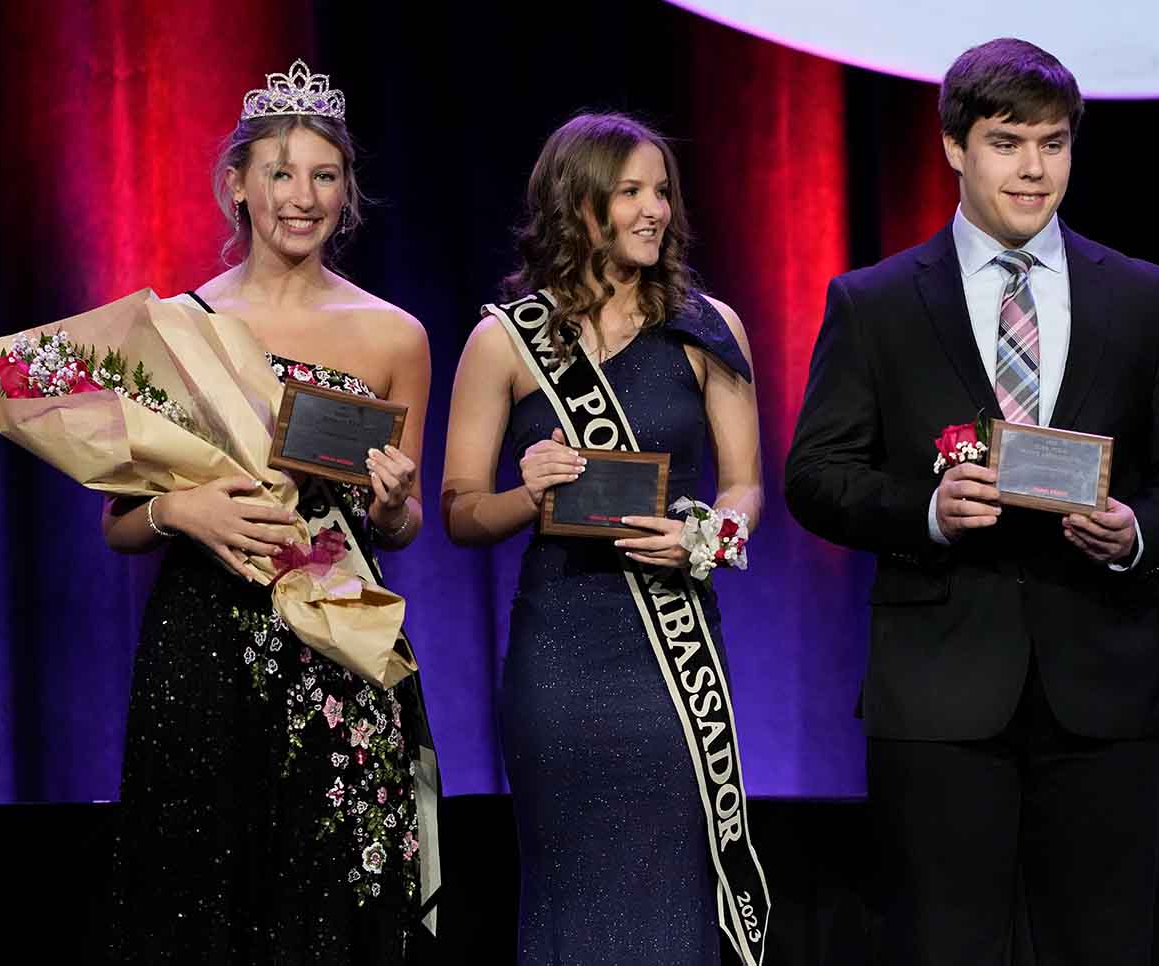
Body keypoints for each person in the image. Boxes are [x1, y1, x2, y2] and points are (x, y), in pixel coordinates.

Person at [785, 38, 1159, 966]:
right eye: (1006, 141)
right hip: (940, 697)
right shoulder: (875, 303)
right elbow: (815, 476)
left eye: (1055, 144)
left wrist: (1137, 530)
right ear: (954, 146)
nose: (1034, 168)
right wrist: (930, 512)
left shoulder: (1144, 297)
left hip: (1104, 690)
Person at [103, 60, 436, 962]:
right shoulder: (177, 329)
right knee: (202, 900)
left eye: (323, 175)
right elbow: (118, 524)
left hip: (337, 646)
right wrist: (180, 510)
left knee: (335, 908)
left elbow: (398, 528)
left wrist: (396, 503)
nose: (301, 196)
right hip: (204, 649)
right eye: (280, 173)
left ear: (348, 194)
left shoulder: (395, 335)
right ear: (237, 187)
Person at [441, 113, 769, 966]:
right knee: (571, 891)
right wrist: (531, 492)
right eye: (631, 192)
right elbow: (460, 511)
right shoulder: (503, 340)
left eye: (661, 191)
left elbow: (745, 486)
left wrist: (707, 537)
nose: (655, 210)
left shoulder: (708, 326)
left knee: (673, 890)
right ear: (578, 204)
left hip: (673, 656)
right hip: (559, 655)